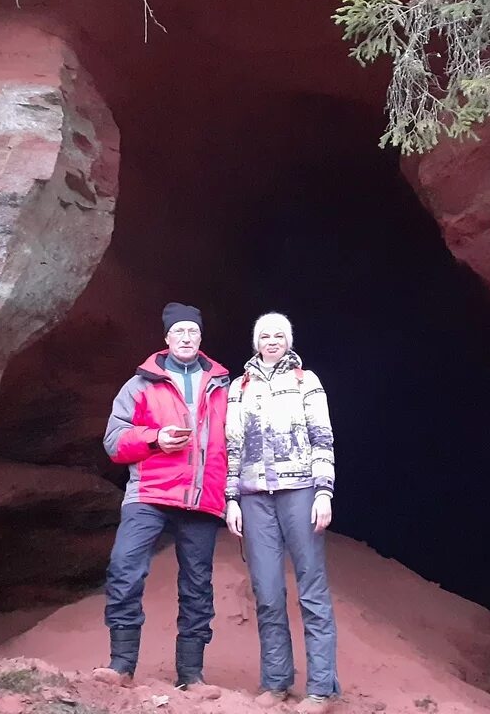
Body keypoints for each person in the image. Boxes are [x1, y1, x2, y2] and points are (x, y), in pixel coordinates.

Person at [93, 302, 230, 696]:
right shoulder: (140, 384)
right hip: (149, 492)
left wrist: (232, 496)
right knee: (124, 567)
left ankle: (192, 676)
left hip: (201, 498)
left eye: (193, 332)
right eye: (179, 332)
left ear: (201, 338)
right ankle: (121, 665)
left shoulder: (223, 386)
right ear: (166, 338)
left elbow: (235, 444)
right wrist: (155, 438)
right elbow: (114, 442)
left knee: (198, 586)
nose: (186, 339)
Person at [225, 311, 339, 710]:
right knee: (268, 592)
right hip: (255, 496)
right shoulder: (239, 387)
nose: (271, 341)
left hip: (300, 491)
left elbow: (321, 438)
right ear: (255, 342)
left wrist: (324, 492)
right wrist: (231, 499)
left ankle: (321, 688)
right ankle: (276, 682)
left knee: (312, 588)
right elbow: (233, 446)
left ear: (289, 341)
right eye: (264, 336)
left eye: (279, 335)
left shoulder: (306, 381)